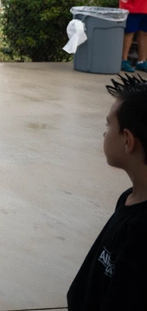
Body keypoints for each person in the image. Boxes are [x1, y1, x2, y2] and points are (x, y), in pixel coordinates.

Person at [67, 74, 147, 308]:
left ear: (128, 140)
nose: (104, 133)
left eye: (109, 125)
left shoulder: (141, 230)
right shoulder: (129, 198)